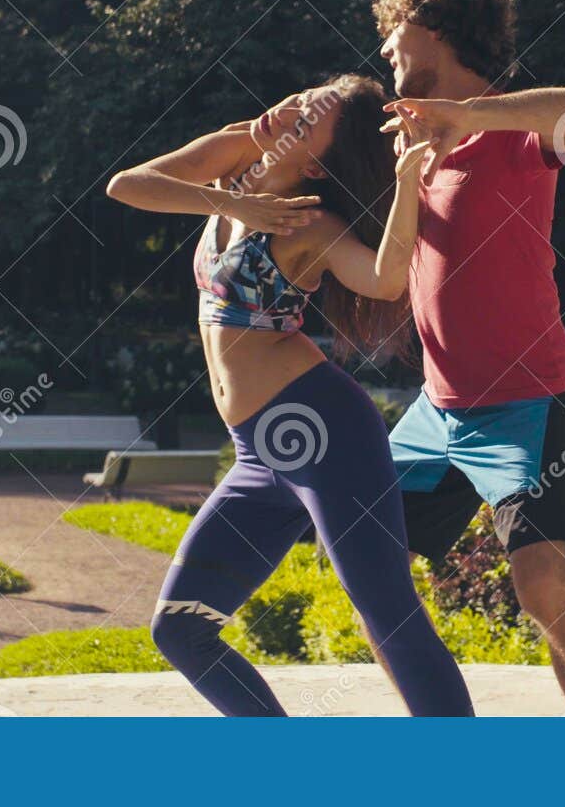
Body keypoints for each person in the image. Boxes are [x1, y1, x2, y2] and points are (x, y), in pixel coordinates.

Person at [104, 73, 474, 717]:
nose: (290, 108)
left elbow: (386, 281)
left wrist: (410, 185)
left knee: (389, 616)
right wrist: (235, 206)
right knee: (180, 629)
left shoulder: (313, 224)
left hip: (327, 436)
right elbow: (128, 186)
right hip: (257, 454)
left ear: (321, 159)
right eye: (301, 97)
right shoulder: (235, 152)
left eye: (310, 118)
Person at [369, 0, 565, 715]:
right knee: (363, 560)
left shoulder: (512, 133)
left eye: (396, 29)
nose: (385, 48)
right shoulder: (415, 148)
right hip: (436, 409)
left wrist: (468, 118)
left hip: (520, 400)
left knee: (542, 582)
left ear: (439, 29)